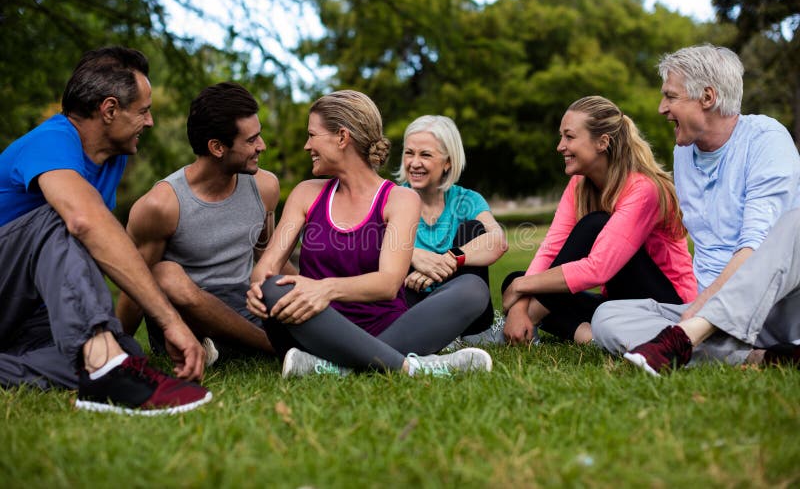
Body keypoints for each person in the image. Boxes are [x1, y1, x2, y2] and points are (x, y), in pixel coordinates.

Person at [0, 46, 211, 415]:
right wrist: (170, 321)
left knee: (123, 348)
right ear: (109, 110)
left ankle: (105, 365)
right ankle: (106, 371)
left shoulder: (110, 161)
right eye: (143, 111)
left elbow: (98, 250)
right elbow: (84, 221)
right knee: (64, 216)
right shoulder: (51, 141)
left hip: (24, 315)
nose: (150, 122)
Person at [245, 90, 492, 377]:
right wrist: (259, 287)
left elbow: (388, 283)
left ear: (342, 137)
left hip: (384, 328)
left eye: (312, 135)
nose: (306, 145)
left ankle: (336, 367)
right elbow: (266, 266)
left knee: (473, 289)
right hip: (313, 327)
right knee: (272, 288)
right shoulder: (305, 193)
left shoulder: (400, 199)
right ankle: (407, 366)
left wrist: (325, 289)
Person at [590, 44, 800, 374]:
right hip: (710, 319)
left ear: (707, 97)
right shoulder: (684, 153)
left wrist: (702, 309)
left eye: (670, 96)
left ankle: (682, 341)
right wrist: (700, 312)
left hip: (776, 307)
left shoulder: (766, 139)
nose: (662, 108)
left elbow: (755, 246)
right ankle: (761, 357)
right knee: (607, 316)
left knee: (796, 224)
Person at [116, 82, 294, 365]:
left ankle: (225, 349)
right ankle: (277, 349)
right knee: (164, 274)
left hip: (245, 307)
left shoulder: (265, 187)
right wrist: (115, 350)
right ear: (217, 147)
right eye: (251, 140)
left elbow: (269, 256)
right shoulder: (162, 205)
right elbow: (134, 285)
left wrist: (312, 290)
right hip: (188, 316)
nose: (261, 146)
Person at [502, 95, 697, 346]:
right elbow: (551, 250)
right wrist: (519, 301)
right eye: (561, 137)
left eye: (569, 137)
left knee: (595, 224)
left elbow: (598, 269)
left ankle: (526, 325)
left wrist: (521, 287)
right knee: (516, 278)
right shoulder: (579, 185)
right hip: (616, 304)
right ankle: (589, 336)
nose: (560, 146)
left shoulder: (644, 190)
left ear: (602, 142)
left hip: (668, 305)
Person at [397, 115, 508, 344]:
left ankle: (473, 335)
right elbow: (368, 248)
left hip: (466, 308)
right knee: (394, 245)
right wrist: (414, 255)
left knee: (473, 229)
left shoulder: (466, 200)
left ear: (447, 162)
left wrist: (449, 260)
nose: (414, 163)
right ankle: (433, 335)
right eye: (409, 153)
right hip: (413, 306)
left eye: (425, 154)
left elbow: (498, 241)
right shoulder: (392, 198)